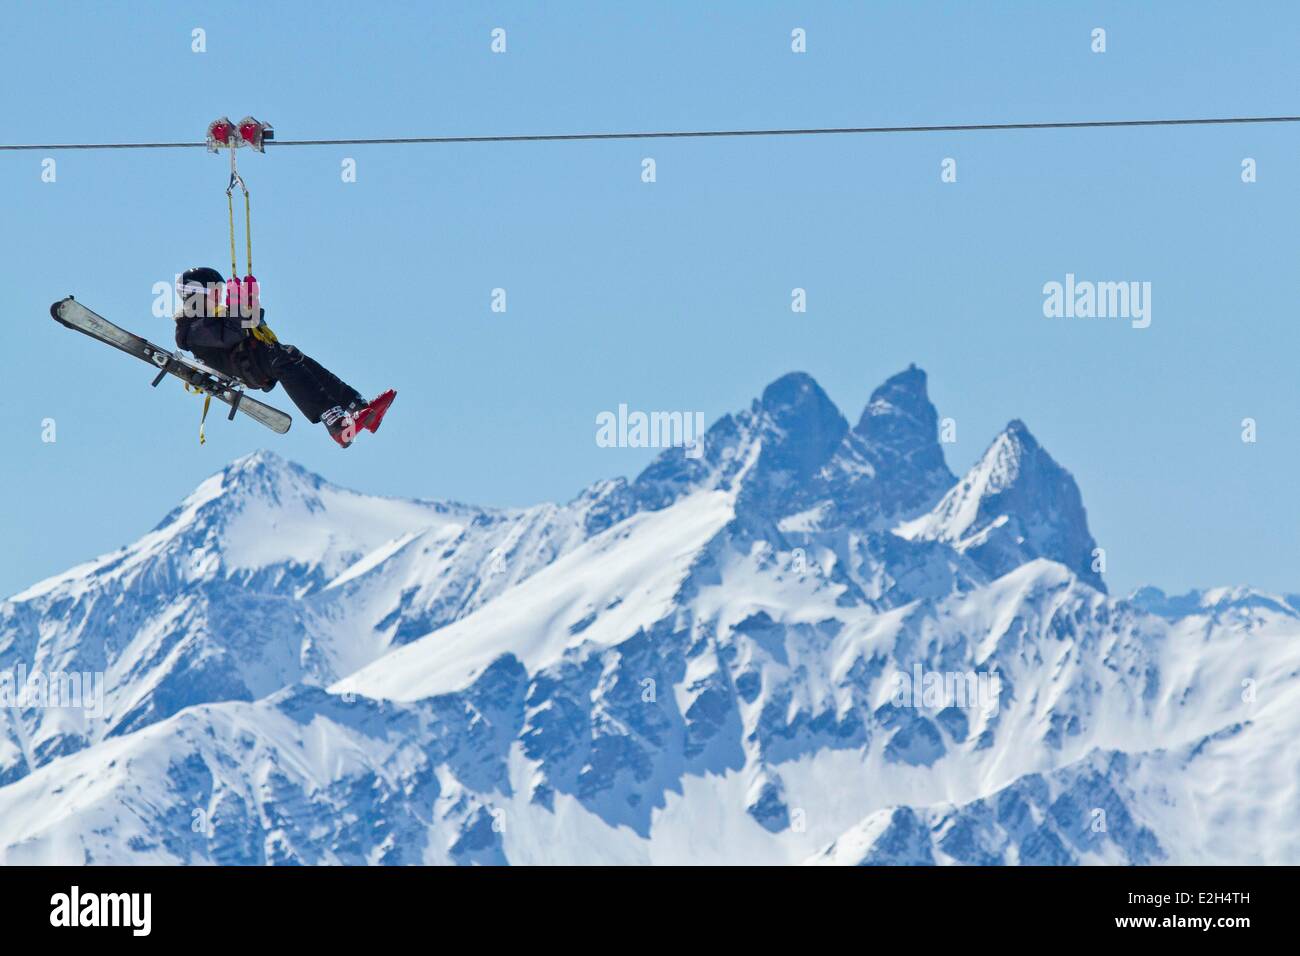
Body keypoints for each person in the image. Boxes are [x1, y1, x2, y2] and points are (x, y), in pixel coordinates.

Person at [173, 266, 394, 447]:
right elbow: (230, 334)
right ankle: (335, 422)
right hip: (243, 365)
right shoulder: (192, 327)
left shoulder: (211, 317)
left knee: (292, 355)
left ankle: (356, 405)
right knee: (281, 360)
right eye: (215, 292)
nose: (219, 297)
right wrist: (237, 306)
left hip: (251, 358)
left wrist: (250, 301)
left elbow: (253, 325)